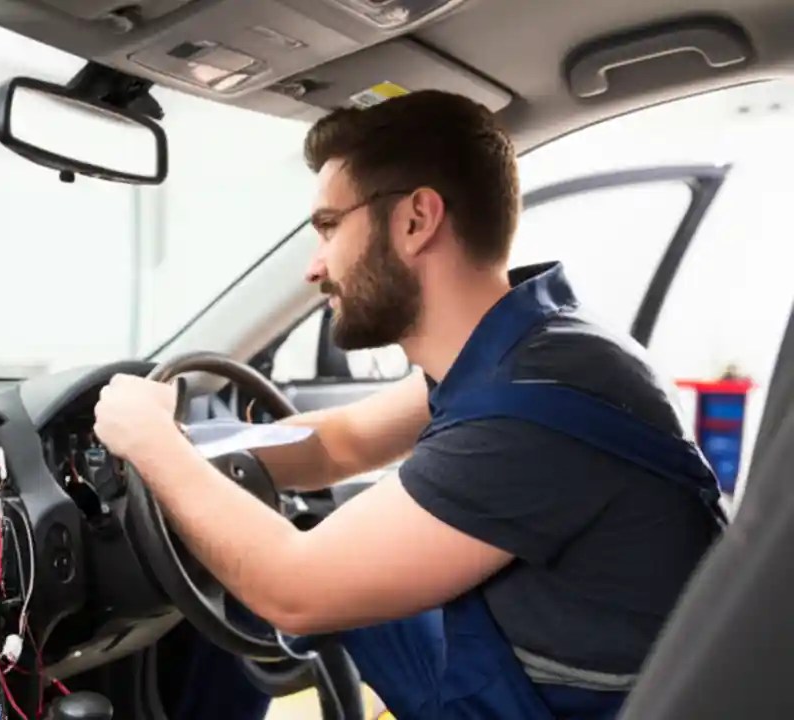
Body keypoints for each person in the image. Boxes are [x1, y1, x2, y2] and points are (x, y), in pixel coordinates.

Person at [91, 90, 725, 719]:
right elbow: (342, 442)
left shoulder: (532, 405)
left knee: (273, 582)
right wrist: (197, 455)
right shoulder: (533, 345)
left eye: (329, 227)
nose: (314, 268)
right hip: (567, 671)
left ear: (417, 220)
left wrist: (152, 444)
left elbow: (294, 588)